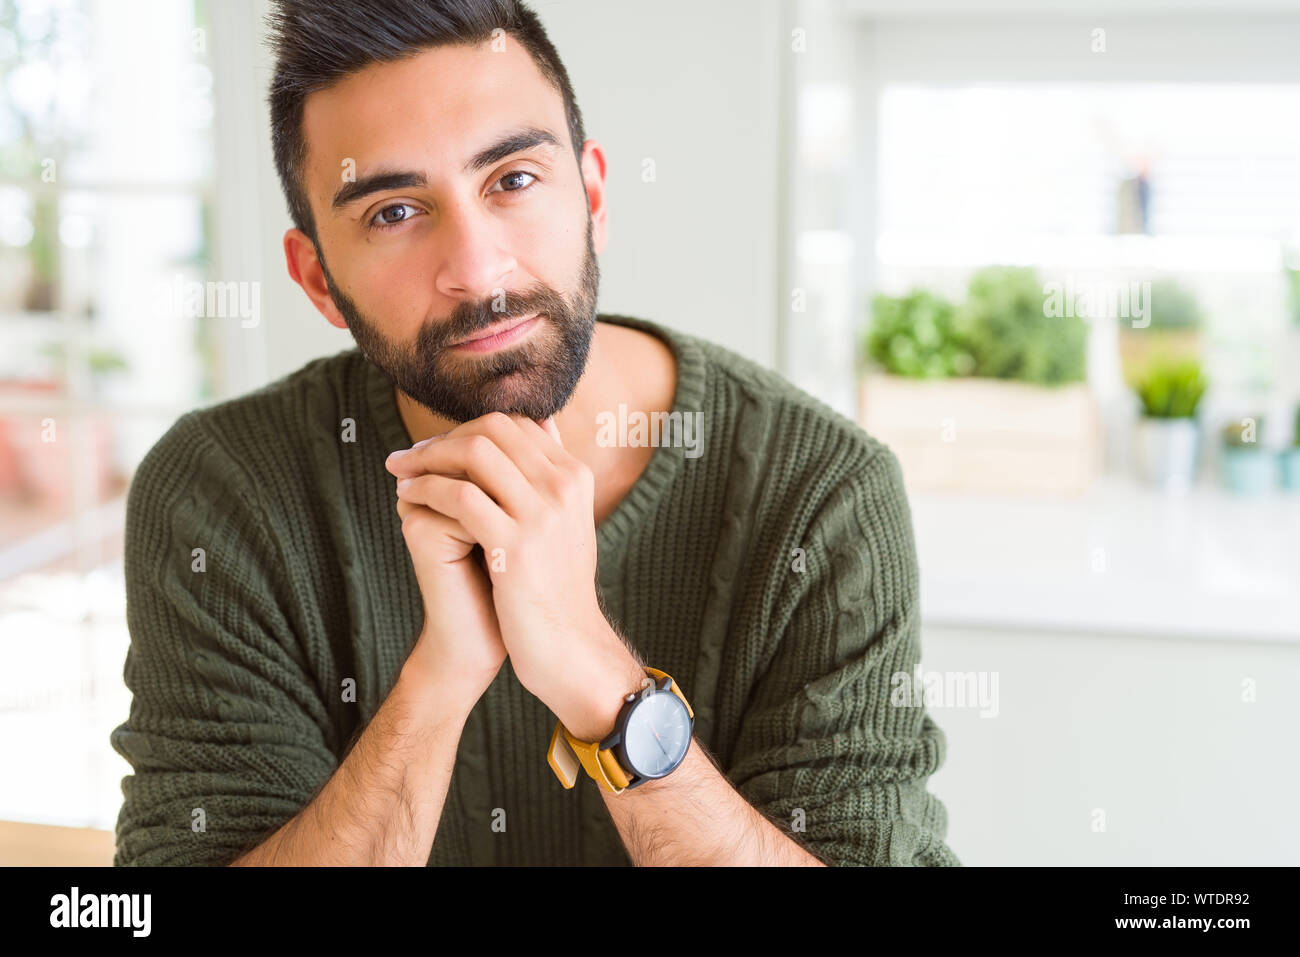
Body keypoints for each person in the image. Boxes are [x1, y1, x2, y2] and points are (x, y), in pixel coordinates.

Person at [110, 0, 958, 867]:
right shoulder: (220, 493)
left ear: (592, 196)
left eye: (513, 179)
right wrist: (437, 684)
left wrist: (600, 677)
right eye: (394, 212)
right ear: (319, 281)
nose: (479, 271)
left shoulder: (821, 492)